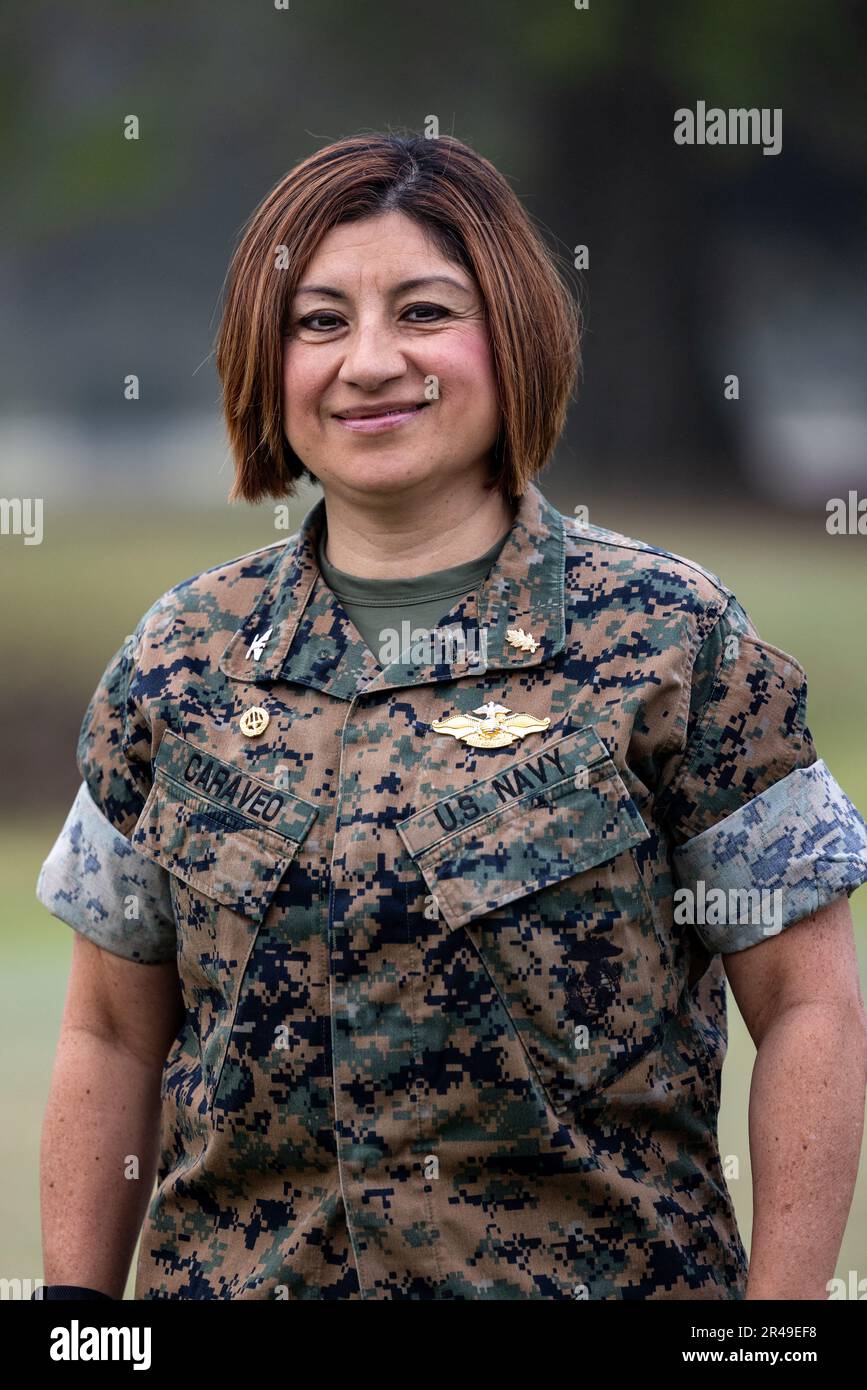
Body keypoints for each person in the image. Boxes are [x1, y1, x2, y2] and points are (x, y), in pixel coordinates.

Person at [35, 132, 867, 1302]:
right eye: (319, 322)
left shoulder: (672, 639)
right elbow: (111, 1036)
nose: (369, 361)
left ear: (512, 334)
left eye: (423, 312)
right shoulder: (181, 663)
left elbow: (811, 1007)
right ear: (262, 360)